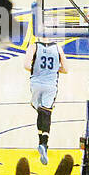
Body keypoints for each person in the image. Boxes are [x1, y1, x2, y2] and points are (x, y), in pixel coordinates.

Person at [25, 37, 66, 165]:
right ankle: (44, 143)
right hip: (50, 85)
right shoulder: (58, 48)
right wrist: (53, 69)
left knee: (40, 112)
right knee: (46, 112)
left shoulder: (33, 47)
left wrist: (38, 67)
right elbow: (66, 69)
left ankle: (39, 143)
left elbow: (26, 66)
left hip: (36, 83)